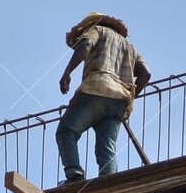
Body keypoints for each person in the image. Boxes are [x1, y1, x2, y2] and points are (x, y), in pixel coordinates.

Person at [56, 12, 151, 183]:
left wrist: (67, 72)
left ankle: (74, 174)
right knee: (106, 145)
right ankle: (109, 180)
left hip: (95, 89)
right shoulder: (130, 47)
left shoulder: (96, 30)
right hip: (120, 101)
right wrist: (131, 97)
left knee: (66, 131)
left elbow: (84, 45)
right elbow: (145, 74)